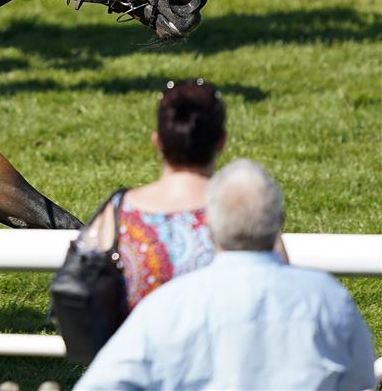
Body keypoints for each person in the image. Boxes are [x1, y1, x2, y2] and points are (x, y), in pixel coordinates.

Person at [76, 159, 375, 390]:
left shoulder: (166, 306)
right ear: (278, 221)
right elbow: (360, 379)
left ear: (210, 227)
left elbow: (101, 384)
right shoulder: (329, 298)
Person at [79, 78, 244, 310]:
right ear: (222, 142)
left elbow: (79, 295)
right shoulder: (246, 212)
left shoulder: (118, 213)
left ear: (157, 141)